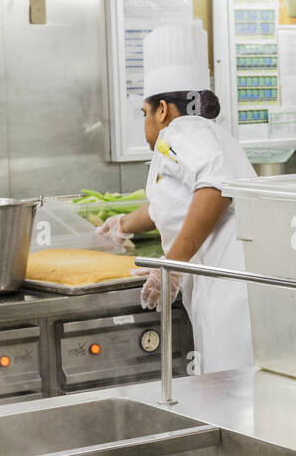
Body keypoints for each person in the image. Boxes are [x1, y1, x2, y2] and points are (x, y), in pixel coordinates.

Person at [96, 21, 257, 374]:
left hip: (233, 295)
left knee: (236, 396)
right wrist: (123, 224)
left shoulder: (181, 131)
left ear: (163, 110)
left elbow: (215, 189)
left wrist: (172, 266)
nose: (145, 123)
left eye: (144, 113)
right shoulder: (193, 138)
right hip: (227, 291)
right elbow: (169, 205)